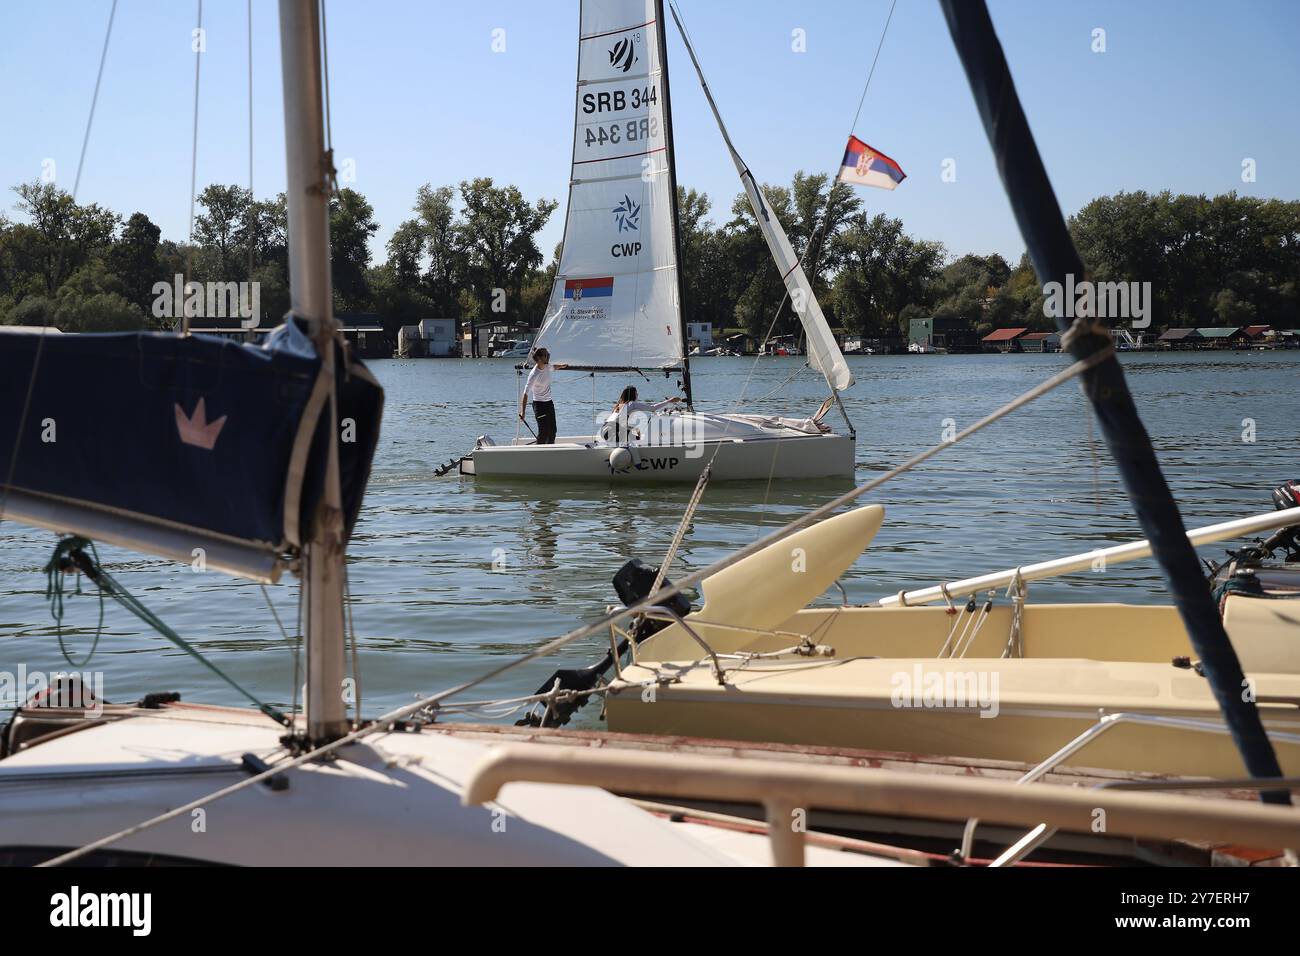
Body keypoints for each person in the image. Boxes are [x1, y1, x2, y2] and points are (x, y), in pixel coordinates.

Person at [601, 385, 683, 443]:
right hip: (611, 433)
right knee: (637, 439)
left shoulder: (619, 406)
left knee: (635, 435)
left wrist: (633, 429)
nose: (638, 394)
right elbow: (652, 408)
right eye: (636, 393)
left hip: (604, 432)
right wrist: (669, 401)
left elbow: (619, 423)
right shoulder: (632, 404)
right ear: (633, 394)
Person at [519, 348, 566, 444]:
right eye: (545, 355)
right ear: (540, 358)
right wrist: (523, 412)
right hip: (539, 405)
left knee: (552, 431)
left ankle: (550, 450)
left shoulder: (547, 366)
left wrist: (562, 366)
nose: (547, 356)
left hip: (549, 404)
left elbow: (554, 367)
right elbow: (525, 393)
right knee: (543, 432)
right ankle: (539, 453)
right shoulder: (534, 374)